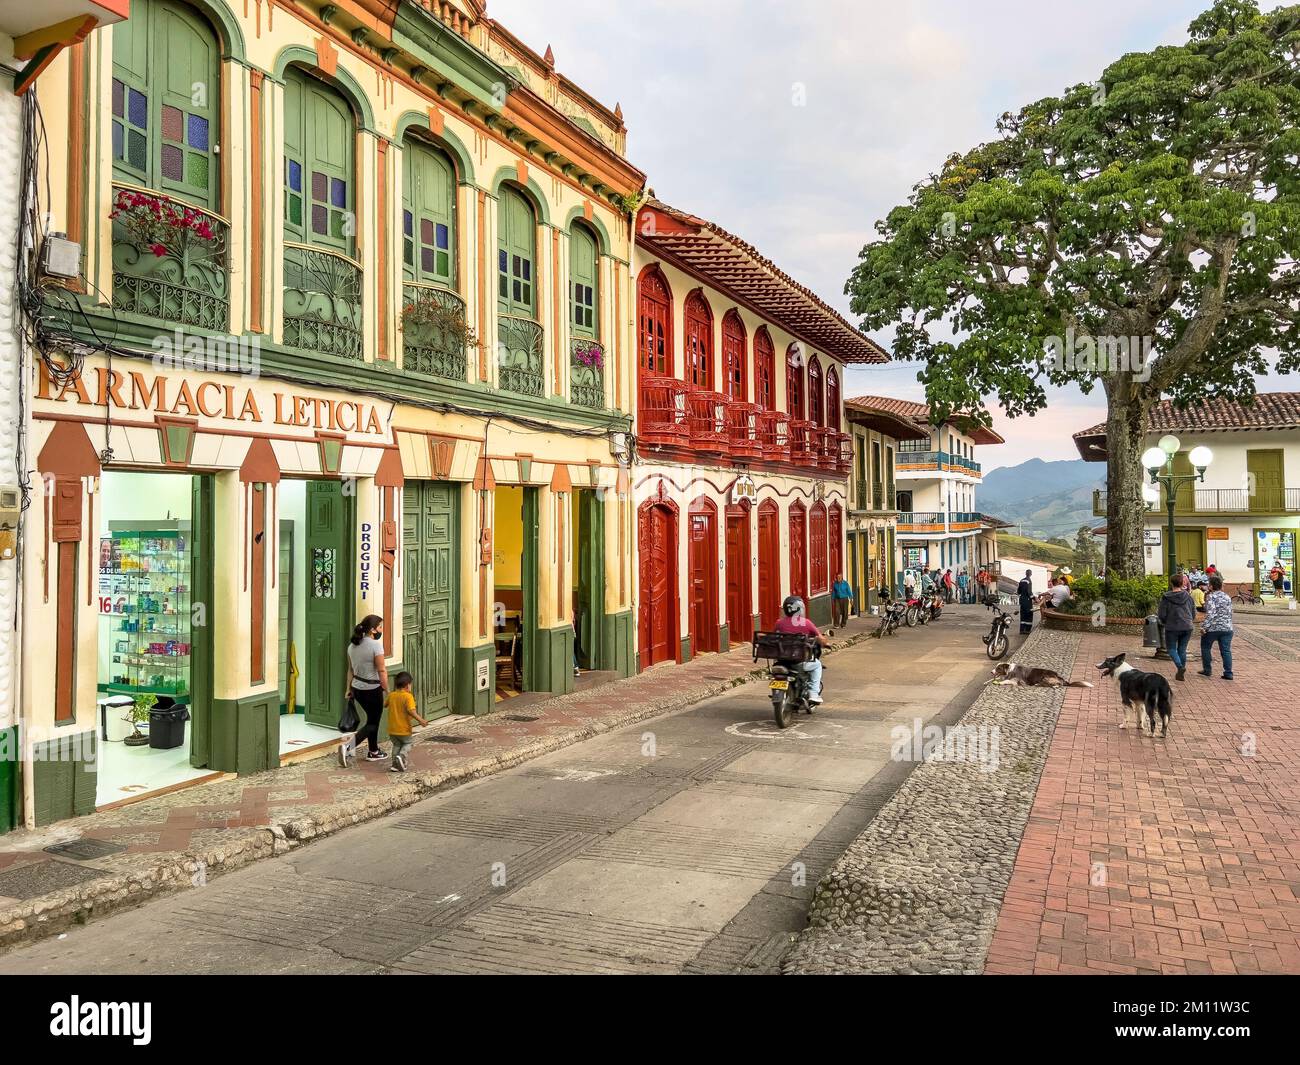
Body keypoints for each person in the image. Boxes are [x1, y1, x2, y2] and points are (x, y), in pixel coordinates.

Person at [346, 614, 390, 761]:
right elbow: (381, 670)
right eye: (380, 627)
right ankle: (347, 747)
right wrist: (387, 690)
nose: (381, 630)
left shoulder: (352, 646)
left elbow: (350, 670)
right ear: (372, 630)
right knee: (372, 723)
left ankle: (373, 751)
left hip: (357, 689)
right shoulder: (376, 646)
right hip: (372, 689)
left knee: (372, 719)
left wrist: (348, 689)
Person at [774, 594, 830, 705]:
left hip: (782, 660)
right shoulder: (806, 623)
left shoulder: (779, 623)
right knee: (817, 665)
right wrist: (825, 642)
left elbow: (775, 636)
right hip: (799, 661)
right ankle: (813, 693)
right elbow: (820, 639)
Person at [385, 671, 427, 772]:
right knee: (408, 743)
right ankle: (402, 756)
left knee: (396, 745)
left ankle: (395, 765)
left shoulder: (391, 695)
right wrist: (421, 720)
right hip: (404, 728)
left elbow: (385, 704)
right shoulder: (408, 697)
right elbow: (411, 711)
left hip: (392, 729)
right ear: (407, 685)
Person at [1157, 574, 1196, 682]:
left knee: (1171, 649)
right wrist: (1189, 620)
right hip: (1187, 626)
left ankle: (1180, 667)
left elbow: (1162, 614)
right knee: (1182, 649)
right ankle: (1181, 673)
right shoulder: (1188, 596)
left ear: (1171, 583)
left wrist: (1164, 622)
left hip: (1172, 626)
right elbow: (1193, 612)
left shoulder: (1166, 597)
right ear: (1182, 583)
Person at [1199, 574, 1234, 680]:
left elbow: (1211, 613)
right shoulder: (1227, 596)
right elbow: (1230, 611)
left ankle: (1207, 669)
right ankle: (1228, 673)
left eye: (1209, 584)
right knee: (1226, 650)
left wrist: (1204, 627)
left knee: (1205, 647)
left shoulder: (1211, 597)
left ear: (1211, 586)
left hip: (1213, 628)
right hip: (1227, 627)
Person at [1017, 569, 1034, 634]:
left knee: (1023, 614)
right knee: (1029, 614)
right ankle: (1027, 630)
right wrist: (1034, 598)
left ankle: (1021, 630)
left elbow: (1018, 591)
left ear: (1025, 573)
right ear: (1030, 574)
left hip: (1022, 599)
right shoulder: (1029, 581)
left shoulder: (1021, 580)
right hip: (1027, 600)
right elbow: (1029, 592)